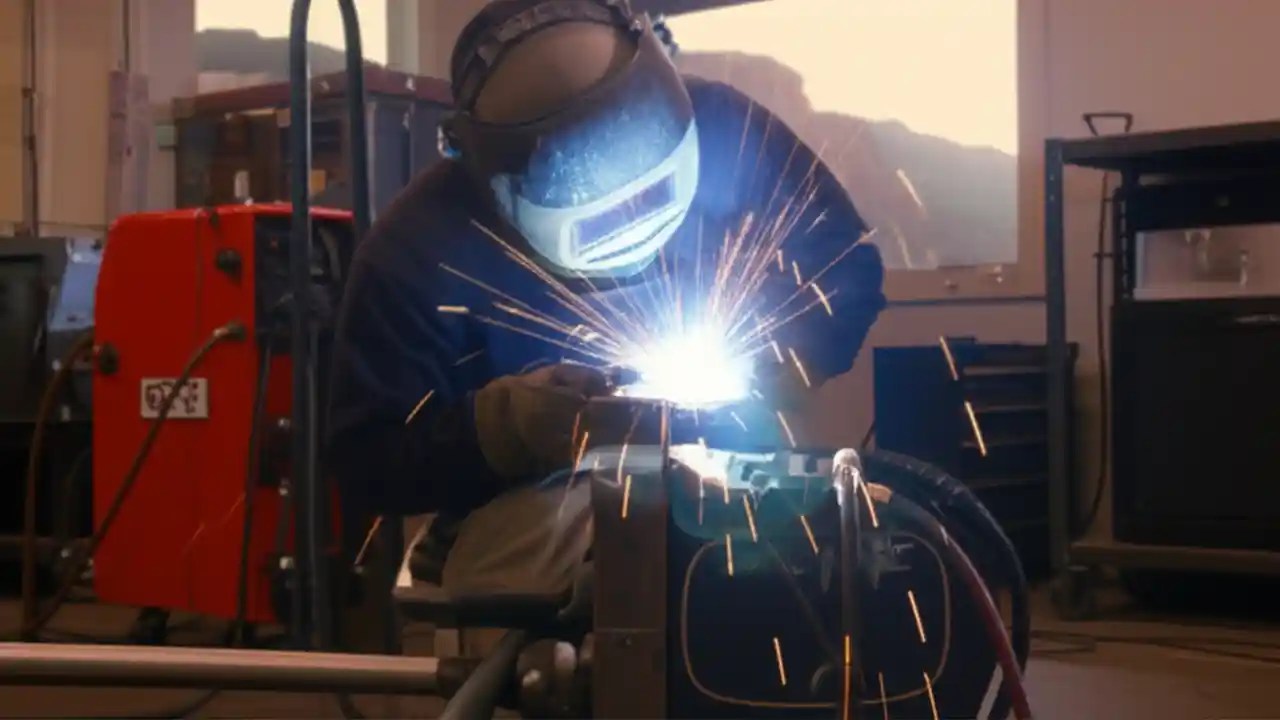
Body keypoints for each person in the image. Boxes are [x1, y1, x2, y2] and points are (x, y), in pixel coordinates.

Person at [326, 0, 886, 599]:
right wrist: (499, 427)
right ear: (499, 189)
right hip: (530, 529)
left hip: (734, 478)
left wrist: (786, 351)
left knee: (815, 560)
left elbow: (846, 262)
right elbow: (366, 462)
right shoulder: (419, 249)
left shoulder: (725, 127)